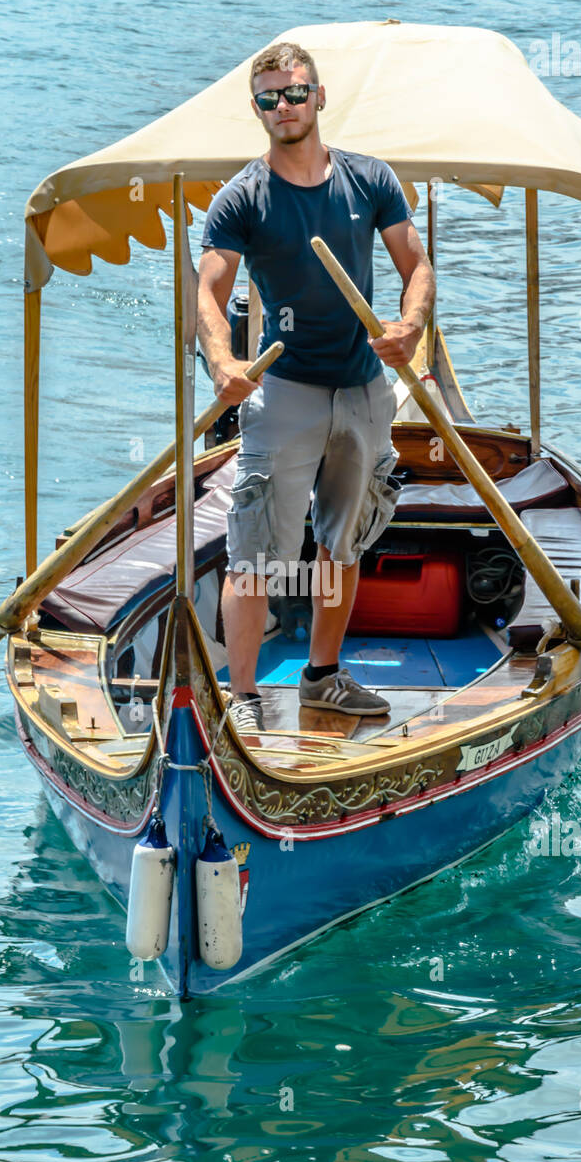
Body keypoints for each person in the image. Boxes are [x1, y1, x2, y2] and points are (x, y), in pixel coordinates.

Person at [198, 40, 435, 734]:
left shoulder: (370, 181)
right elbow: (208, 292)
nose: (285, 107)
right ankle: (241, 699)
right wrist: (221, 362)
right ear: (257, 110)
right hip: (285, 393)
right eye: (270, 98)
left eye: (296, 93)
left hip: (364, 391)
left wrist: (407, 327)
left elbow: (416, 267)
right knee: (254, 557)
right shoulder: (242, 197)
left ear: (319, 97)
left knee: (344, 544)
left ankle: (322, 679)